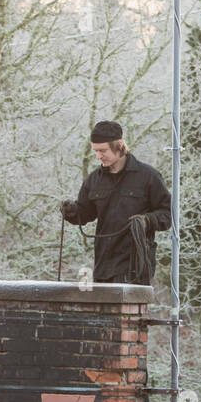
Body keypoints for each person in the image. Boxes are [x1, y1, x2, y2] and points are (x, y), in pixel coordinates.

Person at [61, 120, 172, 285]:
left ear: (119, 145)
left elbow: (168, 214)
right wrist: (72, 211)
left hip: (136, 267)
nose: (99, 156)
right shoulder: (94, 180)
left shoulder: (148, 177)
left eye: (103, 150)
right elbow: (85, 214)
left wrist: (146, 220)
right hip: (103, 266)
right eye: (96, 151)